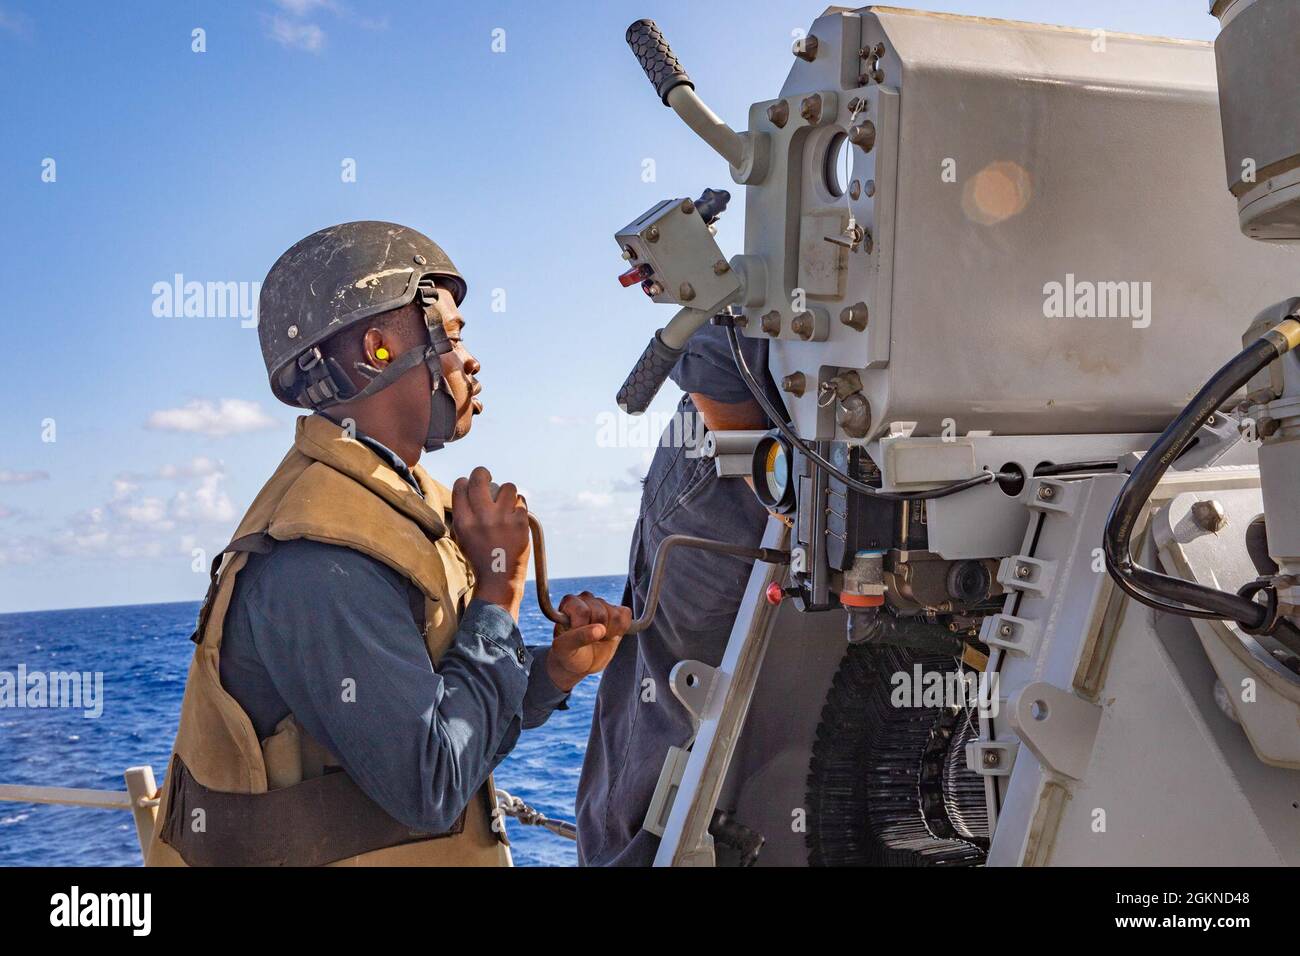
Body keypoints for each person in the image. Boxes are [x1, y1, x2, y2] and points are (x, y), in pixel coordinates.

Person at [146, 220, 629, 867]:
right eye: (452, 338)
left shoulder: (397, 506)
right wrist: (498, 591)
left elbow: (453, 715)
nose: (471, 360)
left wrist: (551, 672)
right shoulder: (319, 553)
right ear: (377, 349)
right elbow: (431, 781)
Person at [573, 323, 777, 866]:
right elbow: (713, 356)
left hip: (785, 471)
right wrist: (783, 494)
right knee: (669, 714)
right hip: (732, 474)